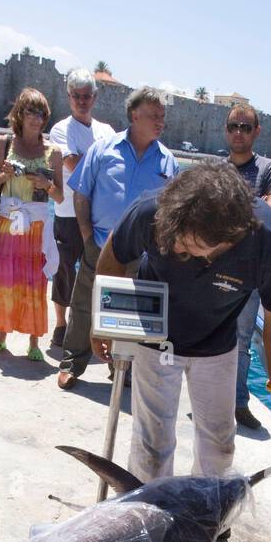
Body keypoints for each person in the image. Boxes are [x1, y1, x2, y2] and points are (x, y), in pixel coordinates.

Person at [89, 163, 271, 542]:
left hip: (217, 343)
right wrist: (97, 319)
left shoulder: (267, 242)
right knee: (153, 442)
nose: (179, 253)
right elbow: (114, 255)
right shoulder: (151, 212)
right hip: (156, 337)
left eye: (190, 250)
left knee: (219, 443)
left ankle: (206, 519)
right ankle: (145, 519)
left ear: (231, 238)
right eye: (176, 246)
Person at [58, 85, 178, 390]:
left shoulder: (168, 162)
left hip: (142, 255)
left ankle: (120, 370)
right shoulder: (103, 149)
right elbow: (81, 193)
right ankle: (73, 363)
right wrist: (86, 236)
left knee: (129, 314)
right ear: (134, 115)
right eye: (154, 115)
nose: (160, 121)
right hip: (99, 243)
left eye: (162, 116)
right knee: (85, 304)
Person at [0, 88, 64, 360]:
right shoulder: (6, 144)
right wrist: (2, 175)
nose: (37, 118)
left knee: (34, 282)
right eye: (31, 112)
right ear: (20, 114)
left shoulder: (54, 152)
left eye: (41, 113)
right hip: (7, 223)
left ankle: (34, 342)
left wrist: (46, 184)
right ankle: (1, 336)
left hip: (36, 227)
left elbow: (60, 196)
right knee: (5, 278)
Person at [223, 103, 271, 429]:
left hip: (249, 274)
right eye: (234, 126)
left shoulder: (270, 170)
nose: (238, 133)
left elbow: (268, 211)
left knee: (241, 342)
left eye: (245, 127)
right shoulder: (216, 171)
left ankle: (238, 403)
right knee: (206, 335)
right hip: (212, 270)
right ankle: (207, 397)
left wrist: (232, 219)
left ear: (256, 132)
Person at [46, 69, 113, 351]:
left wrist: (94, 164)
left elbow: (95, 167)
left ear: (94, 98)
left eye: (87, 96)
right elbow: (75, 165)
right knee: (64, 269)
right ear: (69, 96)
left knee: (99, 271)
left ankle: (89, 329)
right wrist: (99, 164)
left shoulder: (106, 131)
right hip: (67, 213)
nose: (82, 101)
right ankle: (61, 324)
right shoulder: (61, 129)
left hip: (99, 215)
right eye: (77, 96)